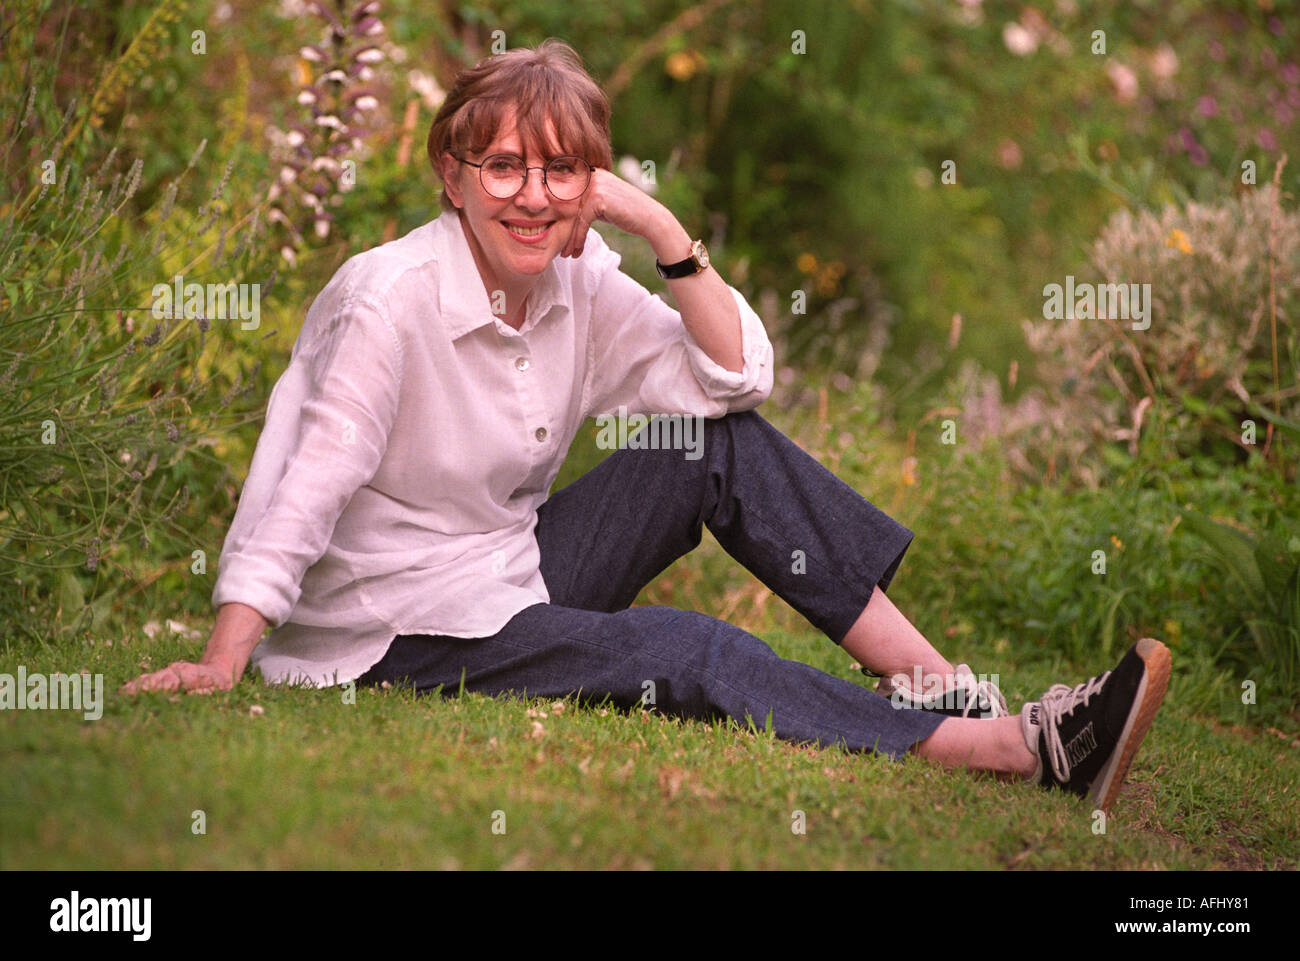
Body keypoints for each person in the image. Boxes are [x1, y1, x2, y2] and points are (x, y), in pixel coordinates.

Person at [123, 39, 1169, 814]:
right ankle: (1011, 750)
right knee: (683, 650)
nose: (532, 197)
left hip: (504, 567)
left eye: (561, 172)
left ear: (594, 185)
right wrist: (225, 658)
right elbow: (306, 480)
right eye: (503, 168)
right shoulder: (385, 300)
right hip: (392, 630)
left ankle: (940, 685)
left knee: (712, 445)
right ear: (450, 175)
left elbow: (734, 378)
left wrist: (664, 232)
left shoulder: (581, 280)